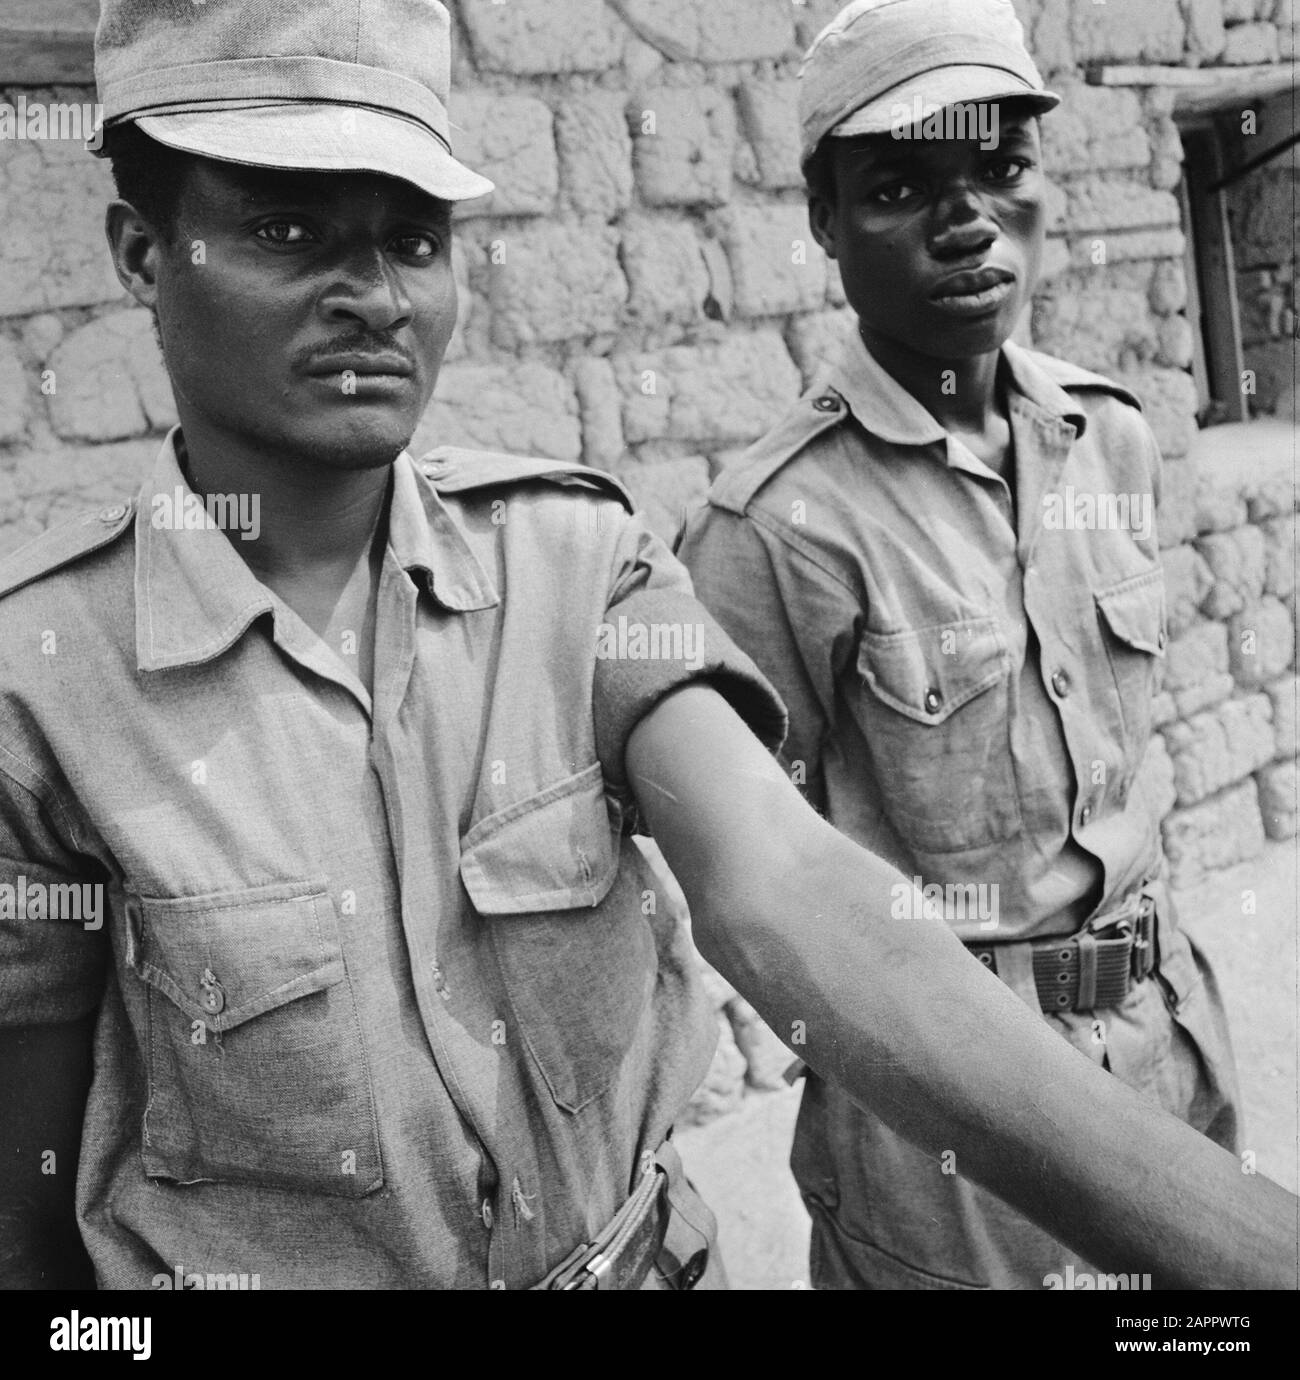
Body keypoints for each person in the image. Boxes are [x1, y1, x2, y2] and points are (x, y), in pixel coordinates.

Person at [0, 0, 1293, 1292]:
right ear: (140, 250)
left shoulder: (576, 566)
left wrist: (1246, 1249)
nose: (372, 297)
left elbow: (790, 888)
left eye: (412, 237)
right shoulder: (46, 684)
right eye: (287, 230)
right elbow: (31, 1200)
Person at [679, 0, 1255, 1290]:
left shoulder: (1112, 439)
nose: (969, 220)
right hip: (960, 1128)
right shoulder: (775, 530)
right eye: (900, 186)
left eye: (1000, 170)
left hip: (1168, 1036)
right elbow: (766, 879)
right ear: (826, 223)